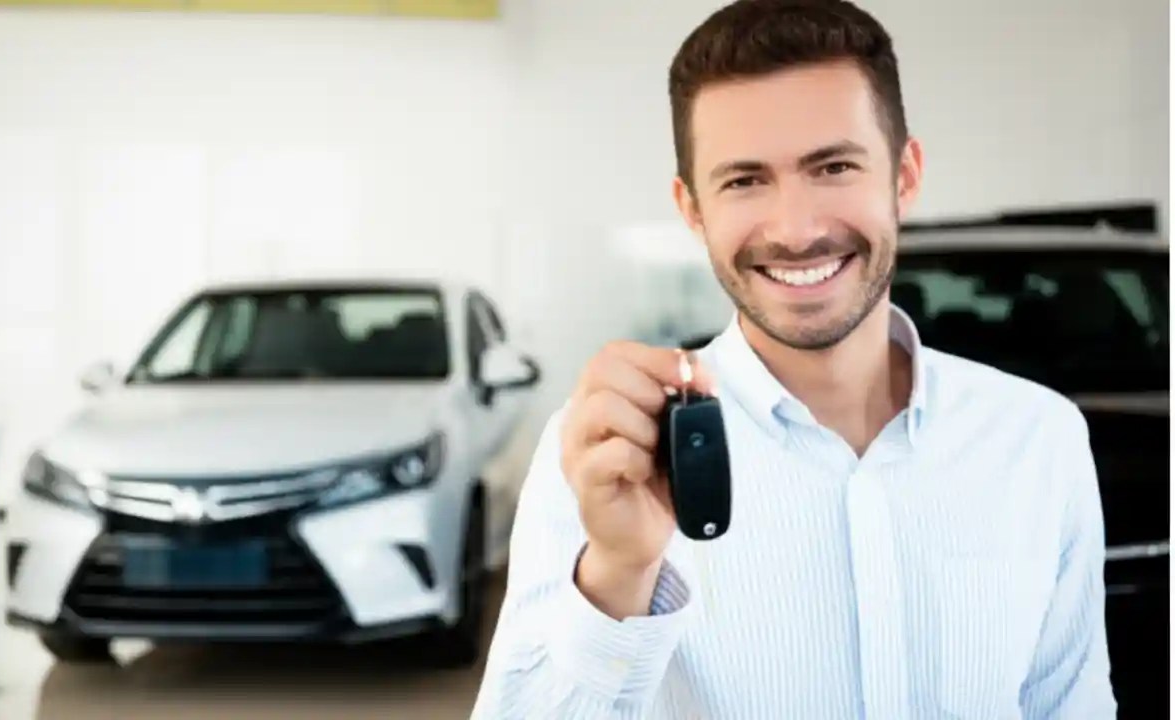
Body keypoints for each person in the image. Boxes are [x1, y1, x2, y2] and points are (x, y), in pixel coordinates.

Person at [470, 0, 1117, 717]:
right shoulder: (608, 458)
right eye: (745, 180)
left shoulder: (1037, 437)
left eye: (834, 166)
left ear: (904, 176)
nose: (796, 229)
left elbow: (1069, 702)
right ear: (692, 209)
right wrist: (621, 572)